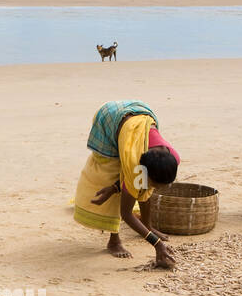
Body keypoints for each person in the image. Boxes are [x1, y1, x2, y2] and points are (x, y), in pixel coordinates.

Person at [73, 100, 179, 267]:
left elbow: (142, 187)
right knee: (114, 172)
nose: (156, 189)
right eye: (155, 184)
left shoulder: (173, 157)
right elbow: (126, 214)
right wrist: (157, 244)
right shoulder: (135, 165)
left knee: (141, 188)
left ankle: (147, 225)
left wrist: (117, 187)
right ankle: (114, 241)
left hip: (136, 115)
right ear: (143, 171)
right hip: (109, 119)